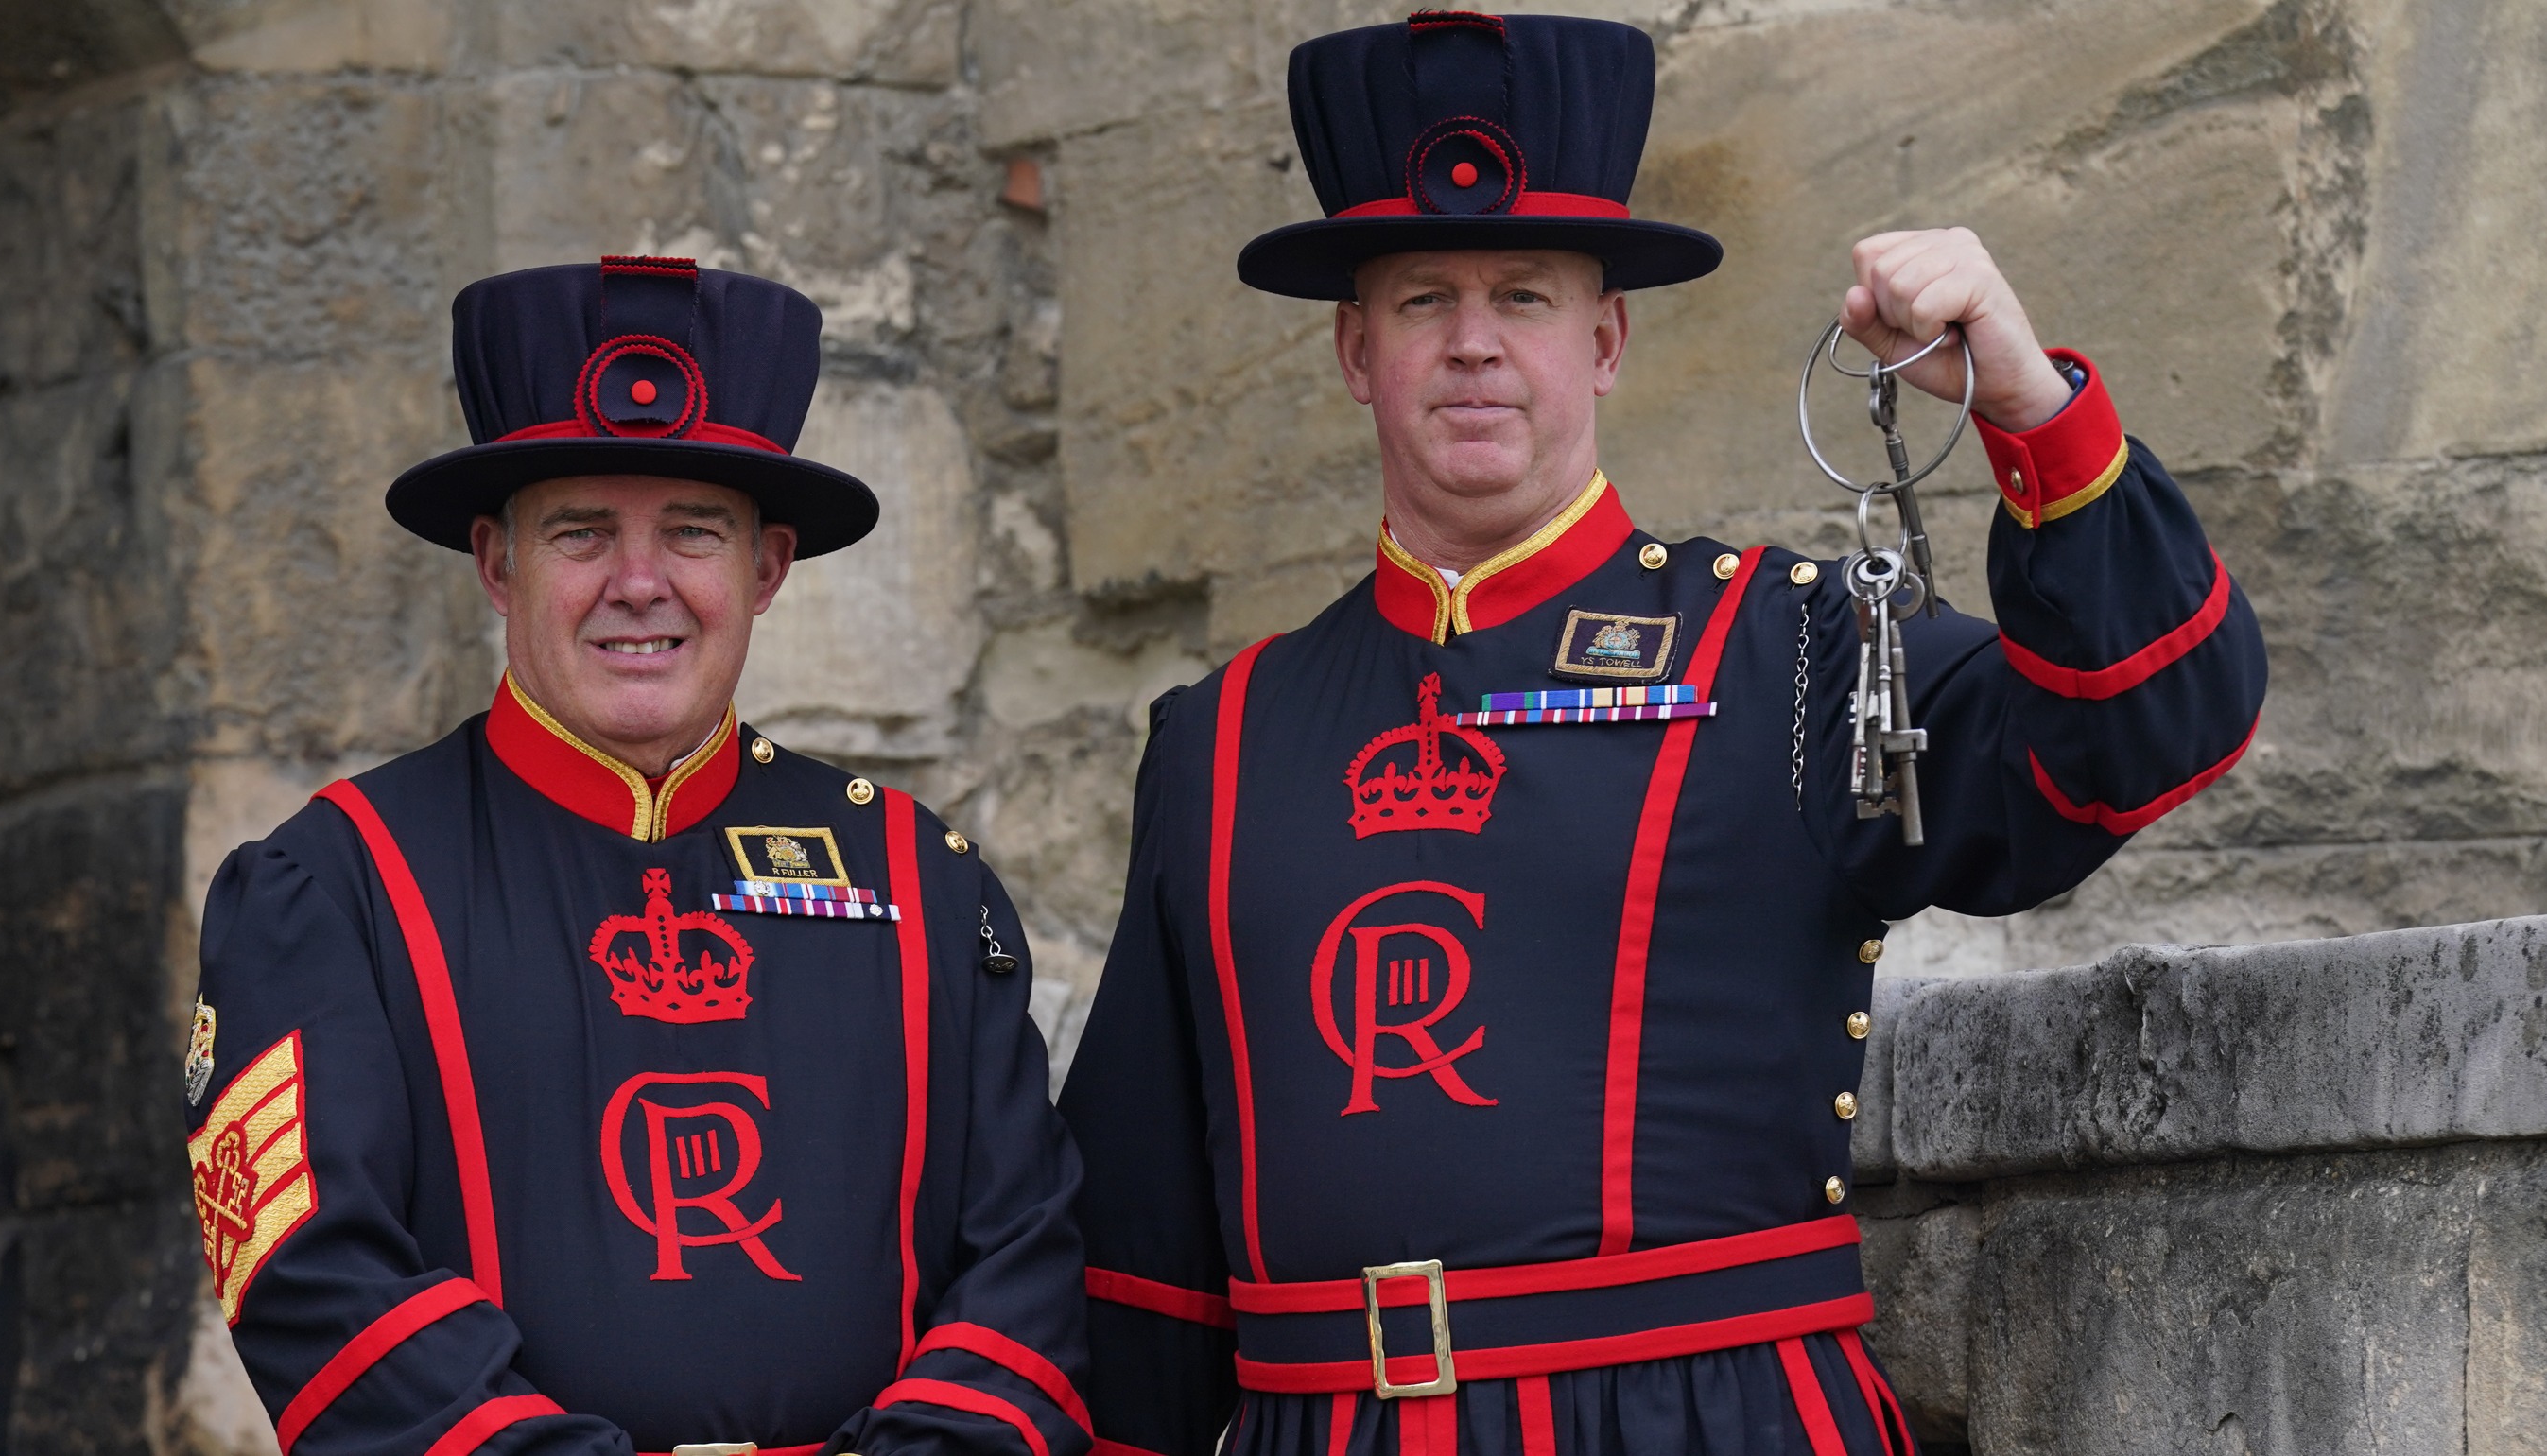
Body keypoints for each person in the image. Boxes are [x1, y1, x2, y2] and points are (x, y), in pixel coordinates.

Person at [1058, 12, 2265, 1456]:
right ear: (1353, 348)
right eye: (1424, 298)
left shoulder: (1793, 649)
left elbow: (2145, 729)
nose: (1473, 344)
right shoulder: (1222, 737)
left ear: (1606, 339)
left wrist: (2026, 401)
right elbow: (1141, 1250)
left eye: (1522, 296)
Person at [184, 257, 1089, 1456]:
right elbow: (306, 1276)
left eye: (693, 531)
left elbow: (1027, 1261)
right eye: (581, 532)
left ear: (766, 568)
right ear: (497, 564)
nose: (639, 583)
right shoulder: (334, 888)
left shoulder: (922, 881)